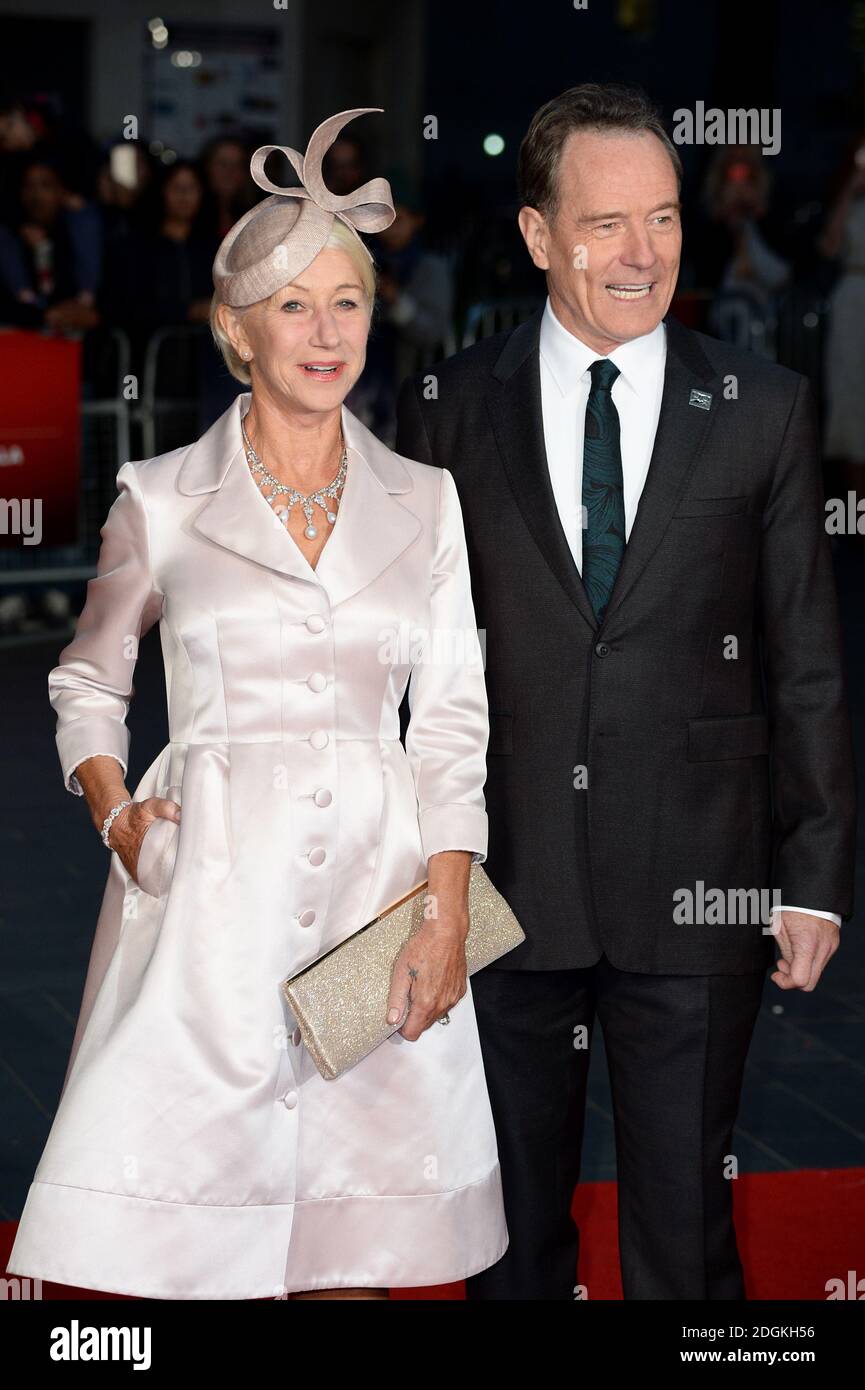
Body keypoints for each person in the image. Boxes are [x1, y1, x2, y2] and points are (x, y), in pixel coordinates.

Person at [7, 108, 508, 1301]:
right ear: (237, 331)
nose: (325, 330)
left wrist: (444, 915)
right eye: (293, 304)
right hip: (209, 904)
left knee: (356, 1251)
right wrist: (118, 810)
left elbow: (449, 721)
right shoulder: (161, 499)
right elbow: (86, 675)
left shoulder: (425, 500)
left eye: (346, 299)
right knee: (201, 1243)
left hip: (379, 903)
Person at [396, 82, 856, 1301]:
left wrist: (814, 881)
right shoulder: (447, 407)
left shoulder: (761, 408)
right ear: (540, 235)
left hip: (701, 878)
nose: (641, 252)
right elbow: (405, 664)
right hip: (499, 881)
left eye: (660, 217)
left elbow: (804, 657)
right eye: (604, 223)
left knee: (683, 1241)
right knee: (504, 1239)